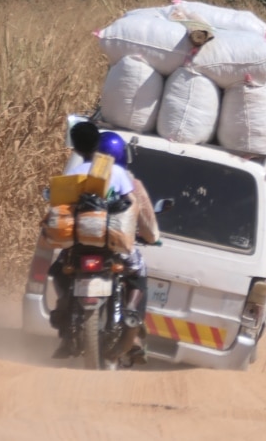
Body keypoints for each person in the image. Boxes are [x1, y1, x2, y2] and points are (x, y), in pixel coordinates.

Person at [49, 123, 159, 362]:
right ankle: (131, 313)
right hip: (111, 244)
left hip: (77, 246)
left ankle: (64, 317)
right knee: (139, 270)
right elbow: (132, 205)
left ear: (77, 148)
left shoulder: (71, 174)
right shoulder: (116, 173)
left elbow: (59, 208)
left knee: (58, 270)